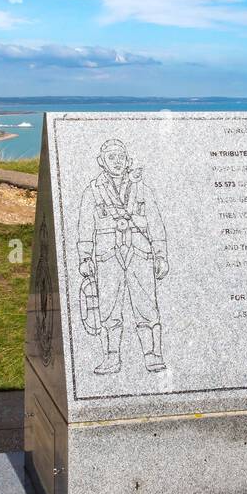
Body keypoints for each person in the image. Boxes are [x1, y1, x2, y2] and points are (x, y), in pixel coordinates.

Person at [76, 138, 169, 374]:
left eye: (120, 157)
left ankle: (153, 355)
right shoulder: (92, 191)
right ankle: (111, 357)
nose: (116, 162)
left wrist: (160, 254)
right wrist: (85, 257)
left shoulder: (142, 189)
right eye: (111, 157)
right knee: (108, 310)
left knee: (147, 307)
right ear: (102, 161)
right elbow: (86, 227)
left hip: (140, 253)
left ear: (127, 160)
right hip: (107, 255)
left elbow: (156, 224)